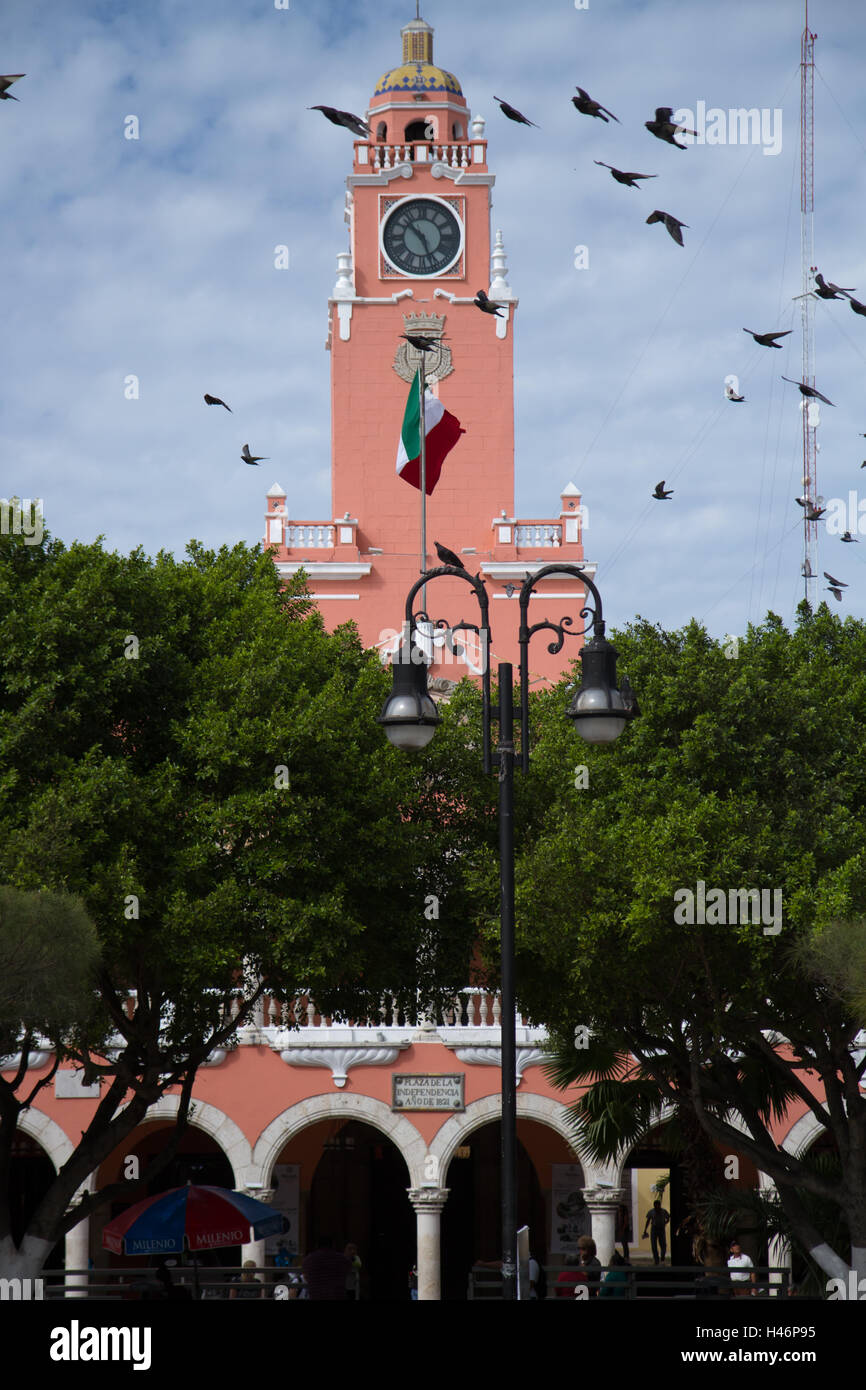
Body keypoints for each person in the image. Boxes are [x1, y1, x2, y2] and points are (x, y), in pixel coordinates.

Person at [302, 1236, 351, 1301]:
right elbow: (349, 1267)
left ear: (317, 1246)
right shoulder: (341, 1259)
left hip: (316, 1296)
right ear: (333, 1245)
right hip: (337, 1296)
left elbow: (305, 1275)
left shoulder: (308, 1260)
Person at [643, 1199, 670, 1265]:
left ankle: (662, 1255)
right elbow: (648, 1221)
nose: (657, 1207)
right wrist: (645, 1230)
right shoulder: (651, 1212)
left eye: (658, 1206)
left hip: (661, 1229)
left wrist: (665, 1223)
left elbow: (668, 1218)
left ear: (660, 1205)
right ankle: (656, 1259)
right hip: (654, 1229)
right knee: (653, 1245)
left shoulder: (664, 1211)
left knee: (663, 1244)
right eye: (655, 1206)